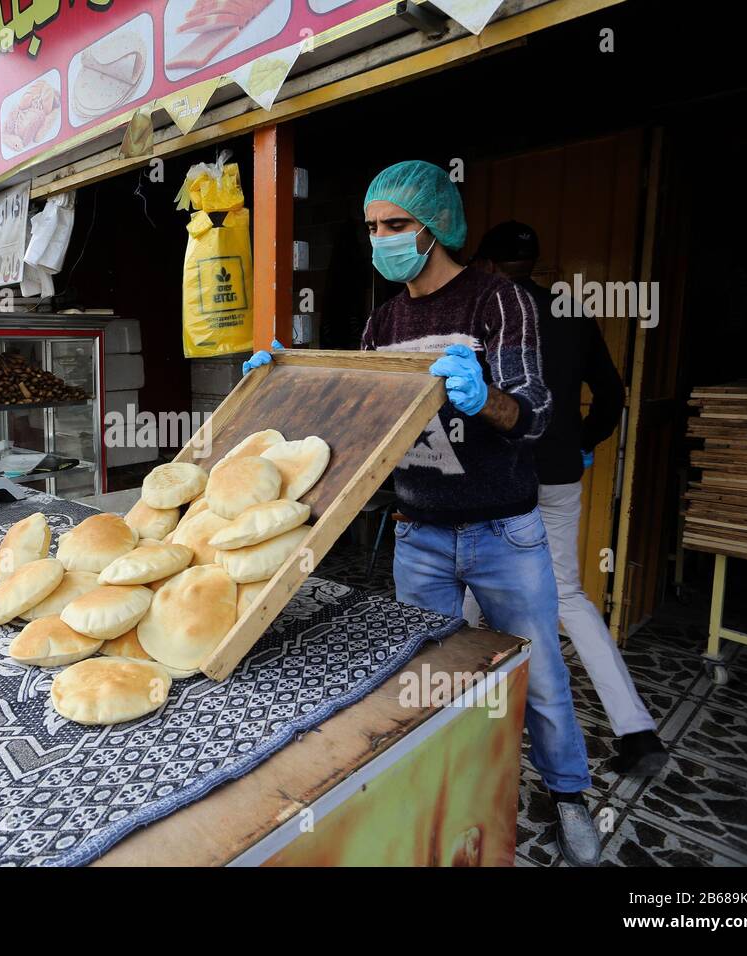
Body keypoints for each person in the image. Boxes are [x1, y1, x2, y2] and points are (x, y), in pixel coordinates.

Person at [245, 160, 598, 866]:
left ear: (435, 227)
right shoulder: (385, 319)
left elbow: (535, 415)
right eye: (373, 228)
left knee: (543, 679)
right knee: (425, 679)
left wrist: (483, 399)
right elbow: (364, 424)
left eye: (397, 226)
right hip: (420, 535)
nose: (383, 240)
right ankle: (447, 789)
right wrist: (291, 388)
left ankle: (569, 797)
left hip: (505, 531)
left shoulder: (498, 302)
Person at [467, 221, 667, 776]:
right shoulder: (573, 311)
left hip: (498, 479)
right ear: (532, 265)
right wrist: (582, 441)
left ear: (486, 264)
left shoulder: (484, 312)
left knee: (469, 594)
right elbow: (611, 392)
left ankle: (446, 728)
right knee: (569, 598)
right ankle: (638, 732)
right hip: (556, 474)